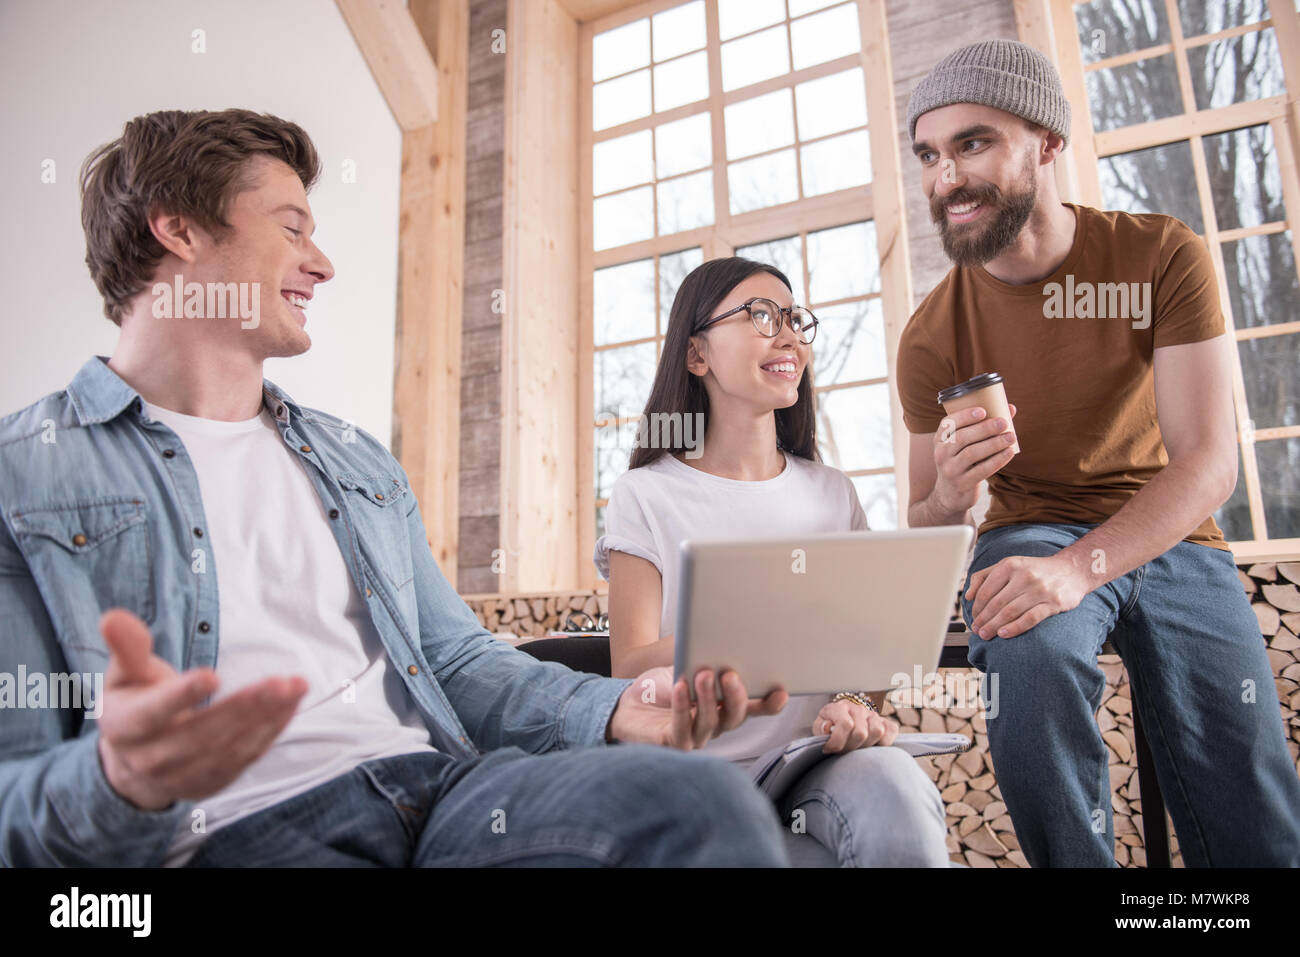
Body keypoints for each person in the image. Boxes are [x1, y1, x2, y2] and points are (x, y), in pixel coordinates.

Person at [0, 108, 792, 868]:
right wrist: (118, 780)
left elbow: (455, 658)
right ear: (177, 227)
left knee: (700, 803)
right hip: (241, 831)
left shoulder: (355, 461)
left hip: (443, 795)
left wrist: (616, 710)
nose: (321, 262)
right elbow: (13, 793)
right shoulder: (25, 471)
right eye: (291, 228)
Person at [898, 39, 1300, 866]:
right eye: (930, 155)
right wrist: (950, 489)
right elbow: (926, 517)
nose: (945, 180)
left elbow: (1207, 464)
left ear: (1047, 142)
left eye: (973, 143)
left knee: (1251, 791)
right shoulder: (930, 335)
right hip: (1032, 527)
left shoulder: (1161, 257)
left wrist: (1082, 569)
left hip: (1175, 528)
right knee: (1031, 656)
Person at [595, 256, 951, 867]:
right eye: (761, 316)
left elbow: (869, 658)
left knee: (896, 790)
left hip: (812, 764)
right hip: (695, 772)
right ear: (697, 353)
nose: (788, 335)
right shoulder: (644, 495)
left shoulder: (833, 493)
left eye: (793, 319)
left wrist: (858, 706)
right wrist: (764, 633)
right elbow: (629, 664)